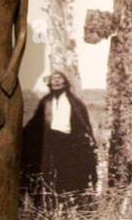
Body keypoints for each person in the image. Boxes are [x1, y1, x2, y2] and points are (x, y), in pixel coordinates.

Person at [22, 71, 99, 204]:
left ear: (65, 82)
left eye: (59, 78)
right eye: (53, 79)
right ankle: (49, 203)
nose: (56, 81)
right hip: (50, 143)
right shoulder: (46, 102)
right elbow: (35, 123)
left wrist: (90, 142)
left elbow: (84, 125)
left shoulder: (74, 103)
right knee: (48, 175)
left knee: (68, 174)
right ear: (49, 83)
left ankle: (69, 202)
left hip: (69, 143)